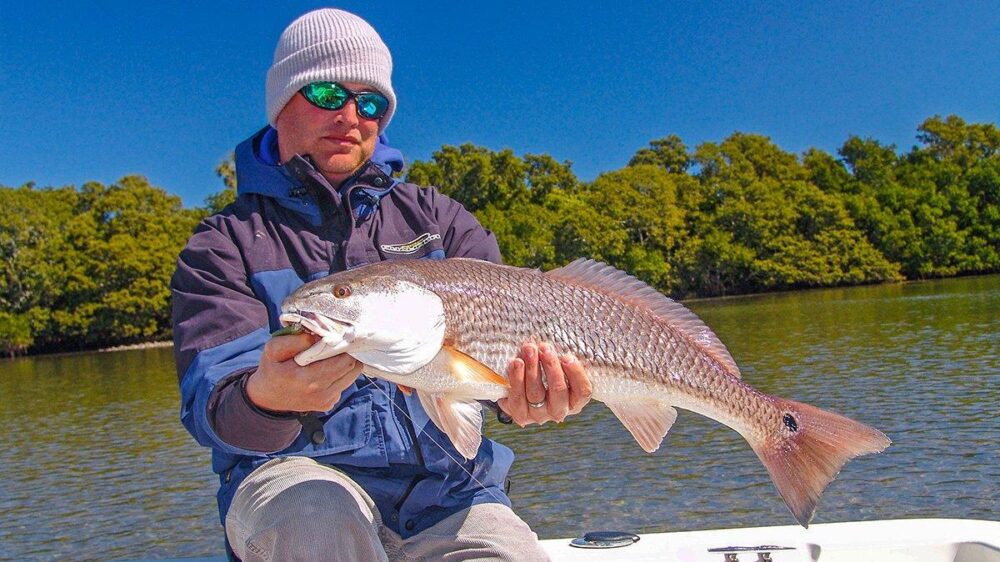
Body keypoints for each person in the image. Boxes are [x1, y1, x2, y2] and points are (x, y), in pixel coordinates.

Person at [171, 8, 592, 561]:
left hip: (450, 487)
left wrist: (528, 398)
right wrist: (266, 400)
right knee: (317, 519)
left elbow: (498, 382)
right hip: (289, 476)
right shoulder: (223, 245)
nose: (350, 115)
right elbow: (214, 409)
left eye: (370, 103)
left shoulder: (439, 220)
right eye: (326, 92)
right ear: (281, 102)